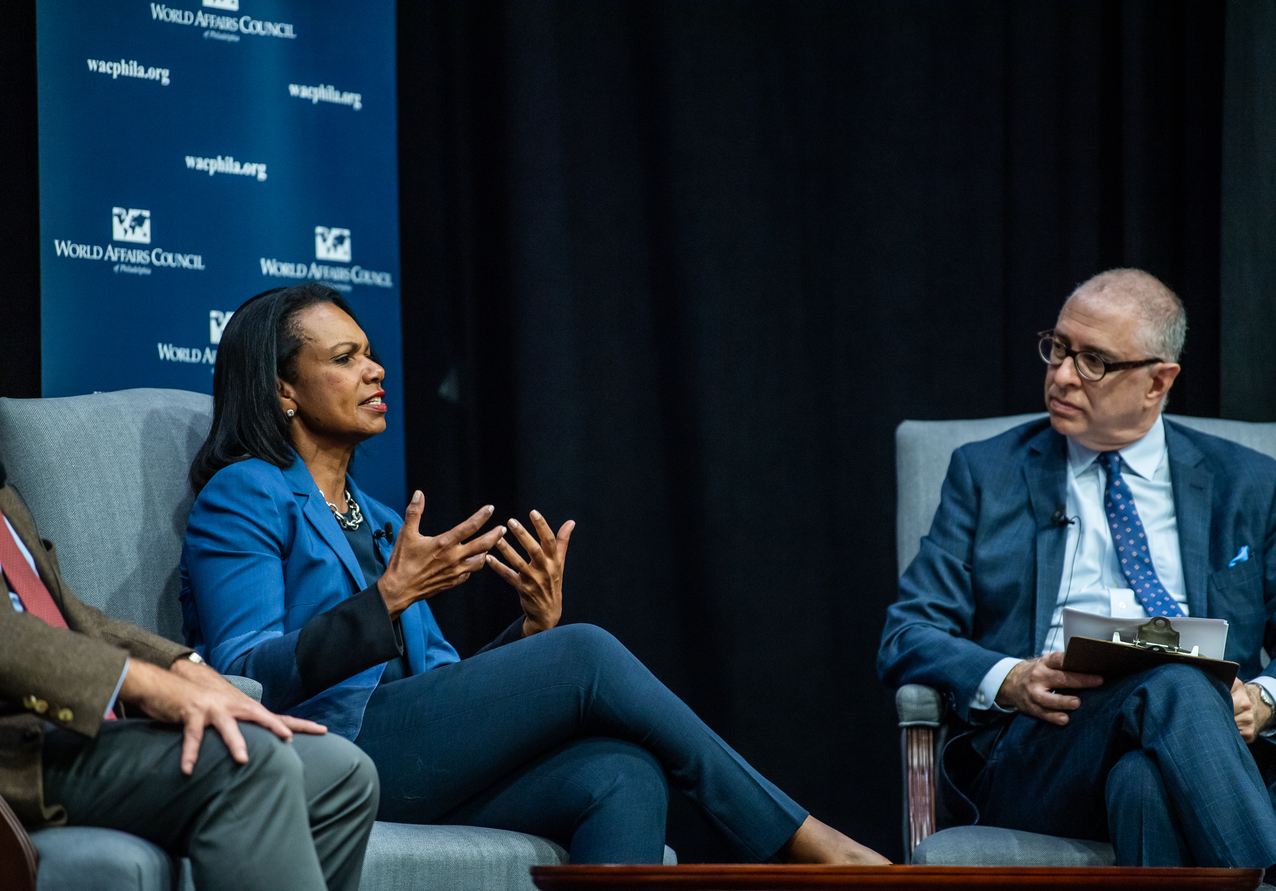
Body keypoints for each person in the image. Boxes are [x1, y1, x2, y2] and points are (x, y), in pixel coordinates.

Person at [179, 282, 887, 866]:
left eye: (370, 353)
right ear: (283, 393)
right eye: (346, 357)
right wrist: (386, 600)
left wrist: (530, 629)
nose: (376, 369)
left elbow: (441, 685)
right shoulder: (247, 491)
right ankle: (805, 840)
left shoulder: (385, 519)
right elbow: (245, 671)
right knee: (585, 651)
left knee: (621, 773)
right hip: (330, 753)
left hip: (411, 759)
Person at [878, 268, 1276, 888]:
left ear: (1157, 381)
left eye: (1093, 360)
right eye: (1059, 348)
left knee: (1143, 785)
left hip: (1209, 746)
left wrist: (1264, 698)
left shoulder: (1246, 483)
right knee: (1175, 678)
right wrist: (1011, 679)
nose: (1063, 374)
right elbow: (908, 632)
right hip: (1047, 747)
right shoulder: (986, 473)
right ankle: (1273, 885)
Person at [0, 461, 378, 891]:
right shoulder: (246, 492)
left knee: (344, 772)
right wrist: (144, 684)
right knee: (249, 761)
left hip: (78, 732)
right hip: (18, 749)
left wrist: (187, 669)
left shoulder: (4, 497)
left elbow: (77, 617)